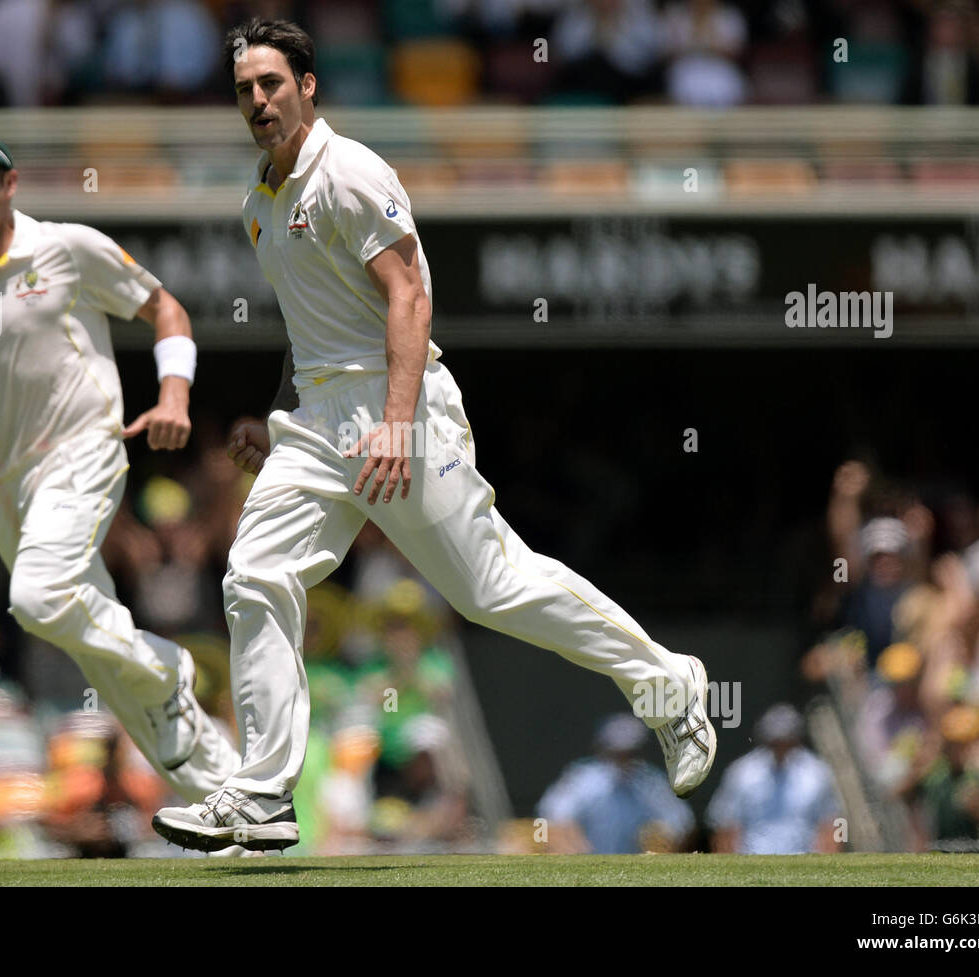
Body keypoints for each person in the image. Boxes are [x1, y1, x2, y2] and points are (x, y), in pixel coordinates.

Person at [152, 18, 715, 853]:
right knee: (256, 572)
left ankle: (669, 685)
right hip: (313, 421)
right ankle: (264, 791)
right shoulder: (257, 199)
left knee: (490, 585)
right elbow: (310, 326)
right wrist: (280, 415)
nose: (259, 102)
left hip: (400, 408)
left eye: (272, 84)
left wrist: (395, 423)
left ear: (308, 85)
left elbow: (408, 297)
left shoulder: (349, 173)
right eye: (244, 90)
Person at [0, 129, 237, 803]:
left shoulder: (66, 248)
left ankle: (167, 664)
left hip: (81, 451)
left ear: (9, 185)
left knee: (40, 600)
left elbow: (166, 308)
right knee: (91, 640)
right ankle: (229, 797)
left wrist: (174, 393)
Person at [537, 713, 695, 854]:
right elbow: (551, 818)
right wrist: (572, 847)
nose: (624, 761)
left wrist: (666, 837)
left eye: (630, 754)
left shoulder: (652, 781)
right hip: (587, 866)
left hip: (640, 870)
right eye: (617, 754)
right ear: (601, 749)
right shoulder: (582, 778)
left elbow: (683, 823)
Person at [707, 704, 841, 854]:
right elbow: (725, 825)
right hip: (752, 860)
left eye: (787, 741)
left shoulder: (817, 773)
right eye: (775, 742)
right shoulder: (742, 773)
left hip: (804, 859)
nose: (781, 748)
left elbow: (830, 824)